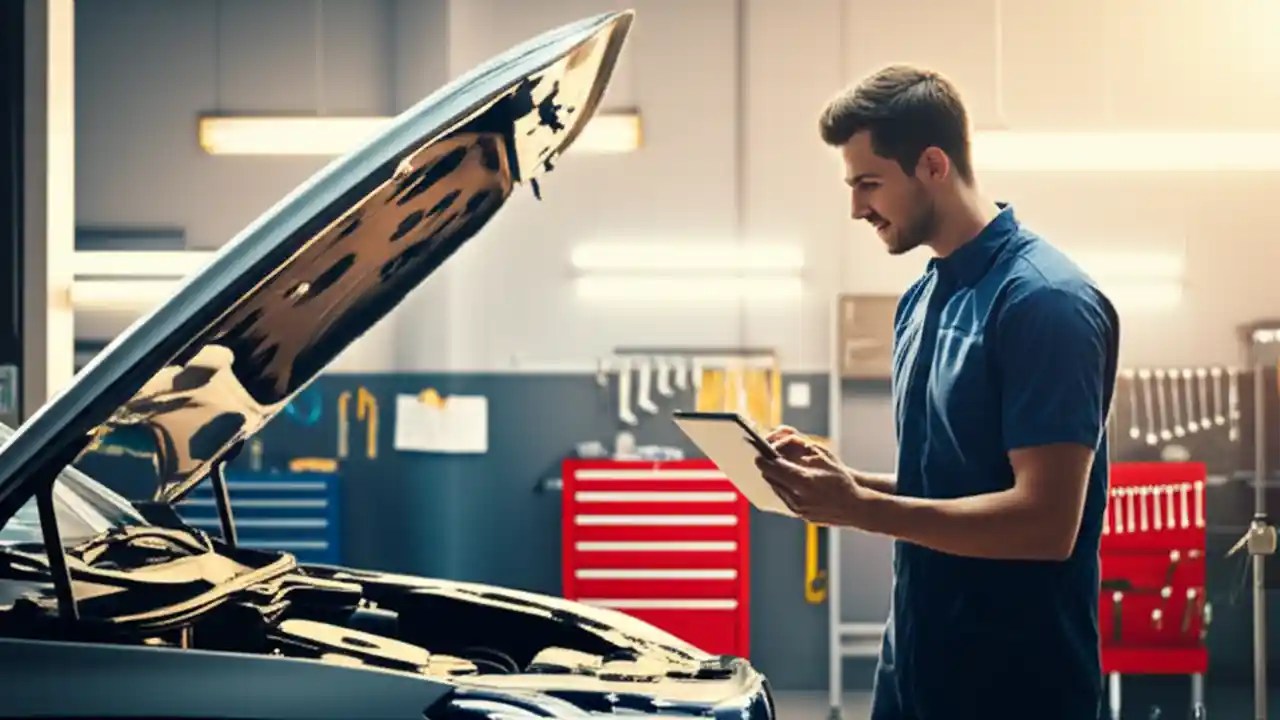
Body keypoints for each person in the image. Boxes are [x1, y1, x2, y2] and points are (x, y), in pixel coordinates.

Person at [756, 65, 1120, 719]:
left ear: (931, 165)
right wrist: (849, 483)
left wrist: (860, 508)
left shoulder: (1047, 303)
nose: (856, 208)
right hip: (916, 670)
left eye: (869, 183)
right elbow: (948, 483)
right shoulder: (921, 301)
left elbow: (1045, 523)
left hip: (1016, 687)